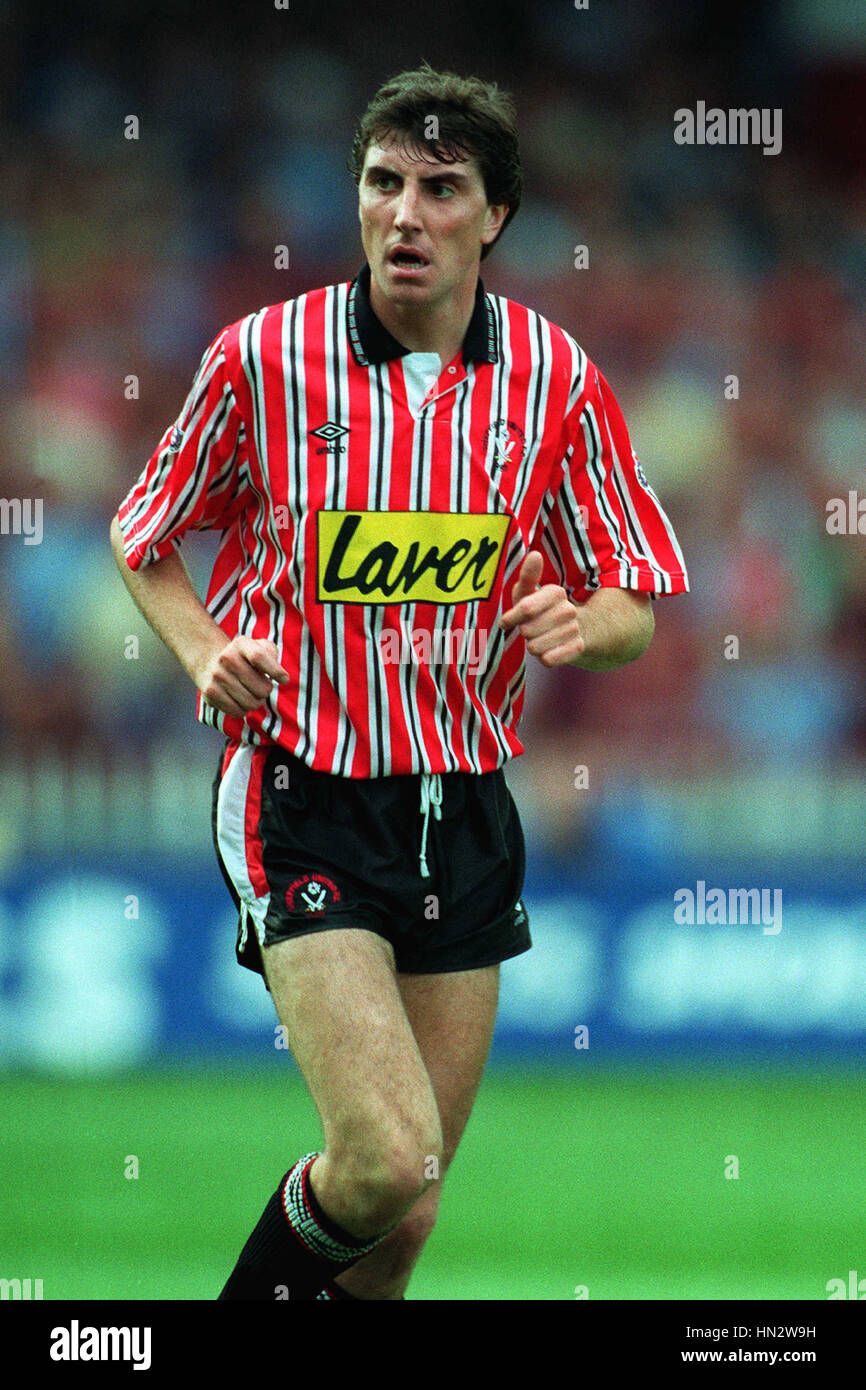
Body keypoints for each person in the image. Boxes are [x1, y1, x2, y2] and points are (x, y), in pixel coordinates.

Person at [110, 64, 688, 1301]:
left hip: (461, 805)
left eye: (440, 188)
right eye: (383, 183)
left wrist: (587, 624)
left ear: (494, 218)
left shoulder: (552, 379)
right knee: (378, 1158)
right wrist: (209, 650)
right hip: (299, 786)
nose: (405, 213)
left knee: (408, 1219)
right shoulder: (267, 358)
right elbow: (144, 533)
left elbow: (635, 595)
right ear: (356, 197)